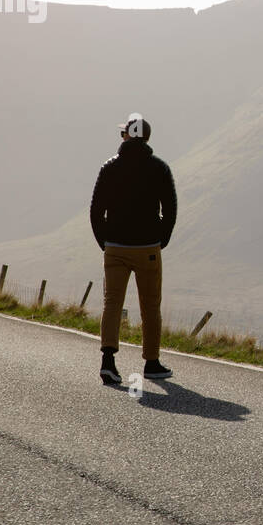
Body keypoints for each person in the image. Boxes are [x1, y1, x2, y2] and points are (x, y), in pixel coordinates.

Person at [89, 113, 177, 385]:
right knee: (150, 305)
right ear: (146, 138)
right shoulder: (160, 168)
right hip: (148, 248)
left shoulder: (109, 167)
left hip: (115, 247)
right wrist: (161, 238)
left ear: (128, 136)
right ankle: (151, 363)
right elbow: (170, 209)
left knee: (112, 303)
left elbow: (95, 210)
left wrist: (104, 241)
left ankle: (108, 362)